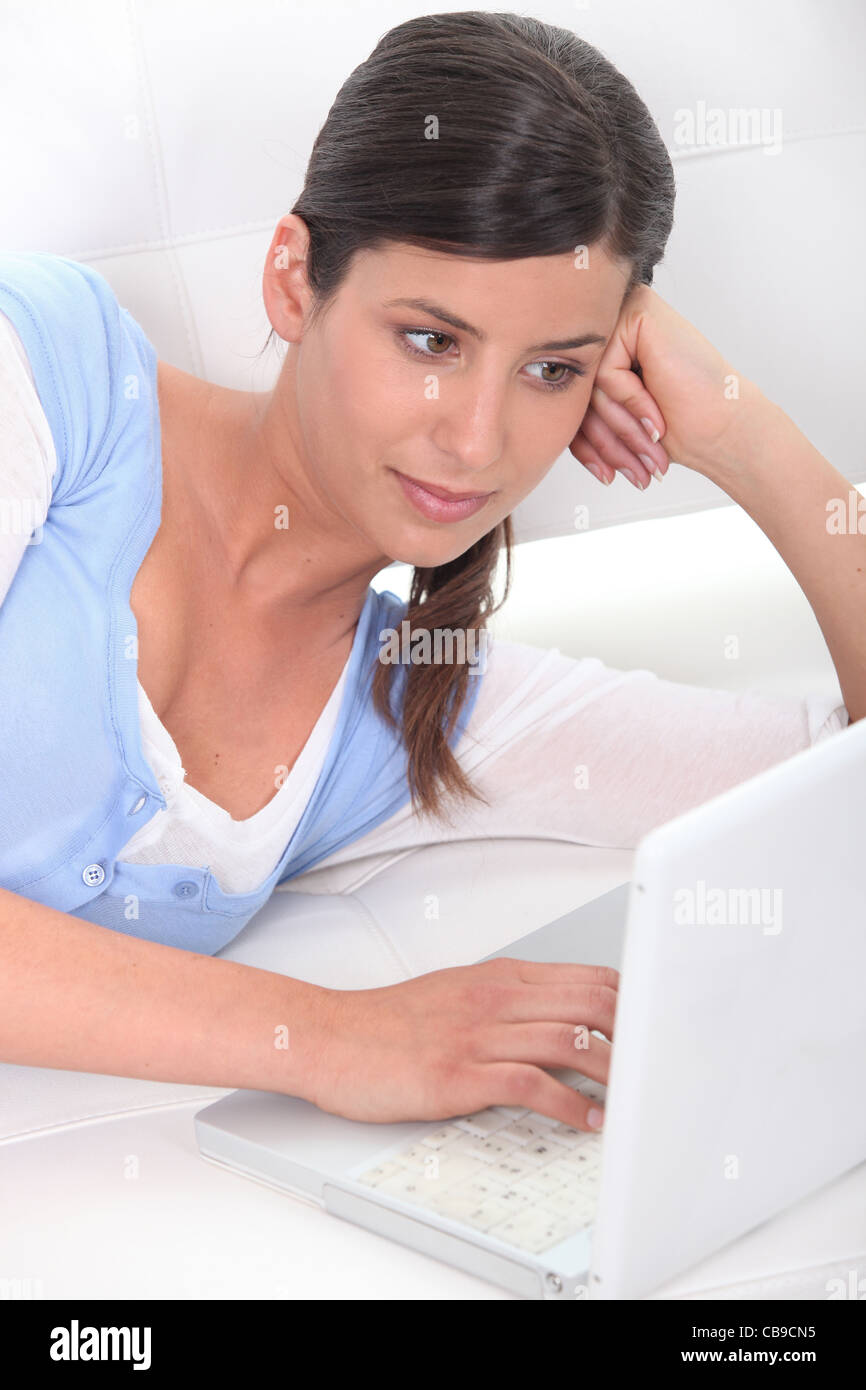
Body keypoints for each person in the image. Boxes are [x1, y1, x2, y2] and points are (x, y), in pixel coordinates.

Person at [0, 12, 860, 1132]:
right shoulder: (52, 381)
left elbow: (841, 811)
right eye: (430, 341)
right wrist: (329, 1037)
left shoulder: (423, 704)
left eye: (551, 370)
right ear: (293, 279)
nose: (477, 440)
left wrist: (754, 443)